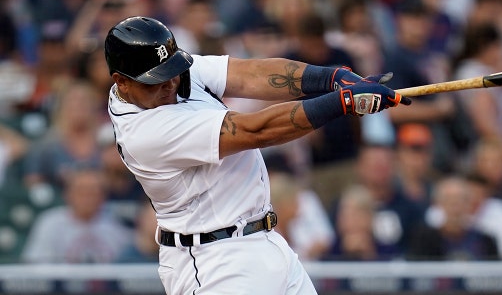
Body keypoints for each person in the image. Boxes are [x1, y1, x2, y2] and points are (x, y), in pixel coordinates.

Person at [104, 16, 409, 294]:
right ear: (122, 82)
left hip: (265, 239)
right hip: (215, 263)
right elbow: (254, 131)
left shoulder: (167, 77)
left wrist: (332, 78)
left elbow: (249, 74)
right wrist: (341, 103)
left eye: (172, 70)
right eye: (158, 79)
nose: (171, 82)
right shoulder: (145, 132)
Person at [21, 168, 132, 263]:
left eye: (94, 192)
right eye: (81, 191)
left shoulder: (118, 223)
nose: (87, 197)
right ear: (67, 194)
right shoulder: (50, 222)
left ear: (103, 196)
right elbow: (37, 267)